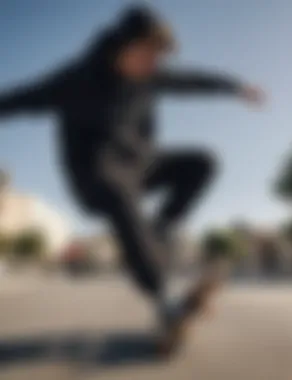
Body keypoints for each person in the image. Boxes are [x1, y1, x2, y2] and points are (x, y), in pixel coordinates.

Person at [0, 6, 265, 329]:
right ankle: (163, 299)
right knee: (119, 194)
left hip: (141, 164)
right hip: (95, 175)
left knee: (202, 163)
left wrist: (237, 88)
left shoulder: (151, 77)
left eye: (159, 59)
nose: (153, 65)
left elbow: (194, 81)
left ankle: (160, 230)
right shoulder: (75, 80)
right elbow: (18, 99)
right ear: (123, 46)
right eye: (148, 55)